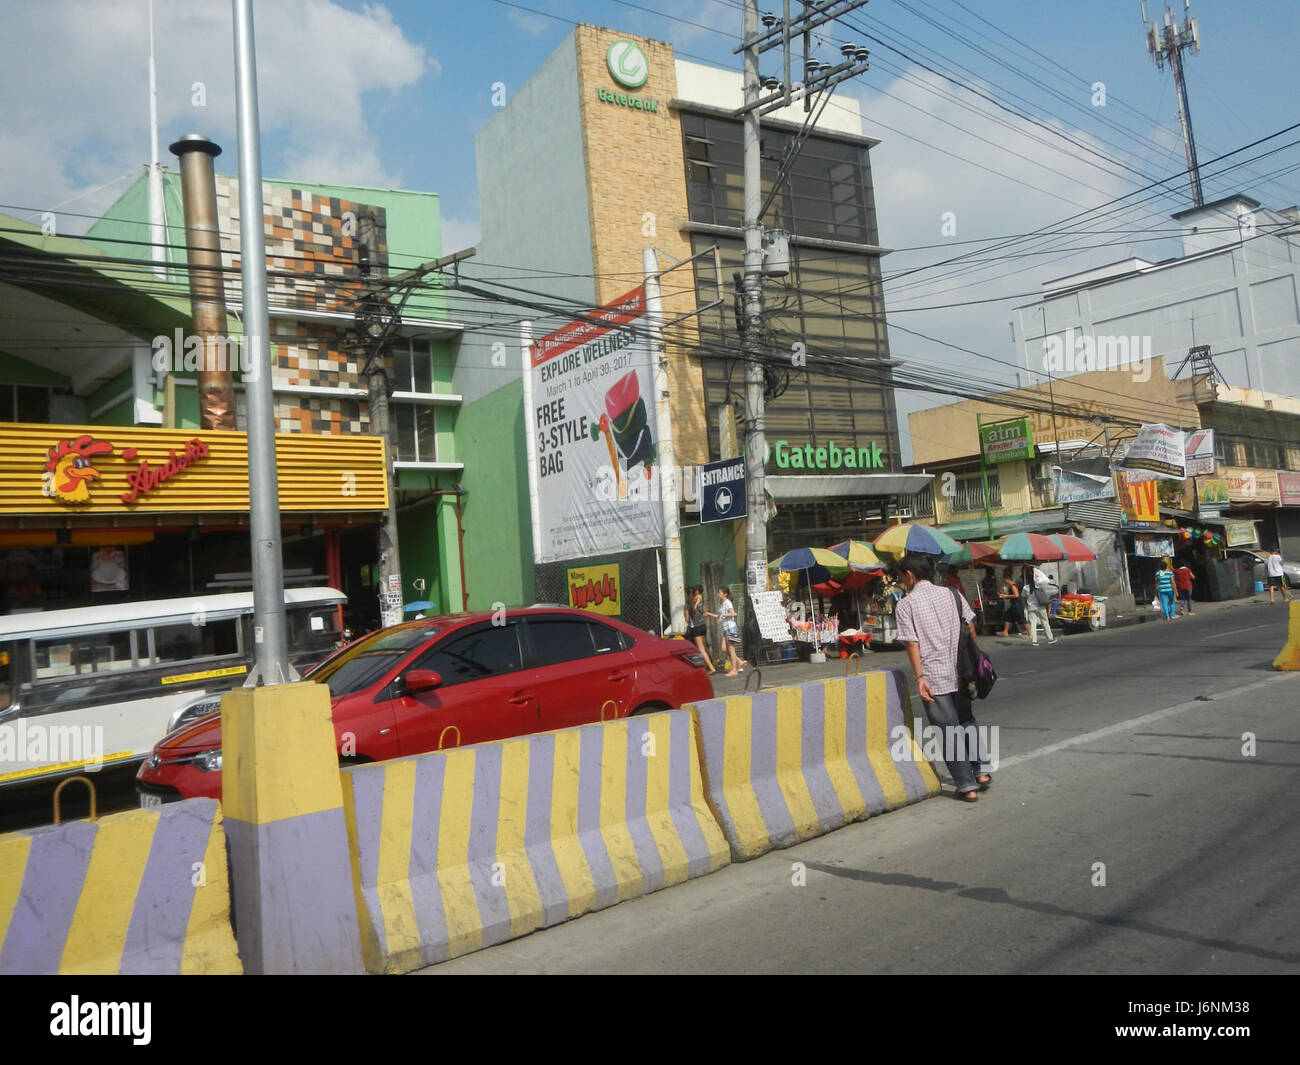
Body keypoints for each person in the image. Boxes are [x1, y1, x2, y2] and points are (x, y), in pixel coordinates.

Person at [894, 552, 992, 803]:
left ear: (910, 575)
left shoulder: (906, 604)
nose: (903, 581)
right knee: (966, 718)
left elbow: (912, 644)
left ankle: (966, 785)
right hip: (961, 670)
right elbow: (969, 626)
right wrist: (972, 660)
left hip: (933, 676)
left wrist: (919, 677)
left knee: (948, 730)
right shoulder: (952, 594)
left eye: (902, 577)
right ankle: (981, 771)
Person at [706, 586, 747, 676]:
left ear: (725, 594)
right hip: (726, 629)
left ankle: (734, 670)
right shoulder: (723, 604)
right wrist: (709, 614)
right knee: (724, 648)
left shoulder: (728, 603)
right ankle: (740, 662)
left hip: (731, 628)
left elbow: (733, 613)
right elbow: (719, 616)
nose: (718, 594)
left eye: (720, 593)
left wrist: (723, 615)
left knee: (731, 649)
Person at [684, 586, 717, 674]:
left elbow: (687, 619)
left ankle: (711, 668)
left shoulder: (687, 605)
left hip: (696, 628)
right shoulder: (700, 602)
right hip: (702, 626)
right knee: (703, 647)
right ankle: (706, 666)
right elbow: (705, 613)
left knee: (701, 648)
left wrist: (689, 617)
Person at [1022, 566, 1058, 645]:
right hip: (1040, 607)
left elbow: (1024, 598)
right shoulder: (1039, 586)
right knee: (1045, 622)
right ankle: (1050, 638)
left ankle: (1034, 641)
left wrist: (1026, 606)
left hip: (1031, 607)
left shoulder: (1025, 588)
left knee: (1033, 624)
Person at [998, 573, 1025, 637]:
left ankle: (1029, 633)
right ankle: (1005, 632)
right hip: (1014, 605)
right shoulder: (1012, 586)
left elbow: (1016, 595)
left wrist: (1006, 596)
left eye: (1004, 580)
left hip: (1017, 605)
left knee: (1022, 619)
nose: (1004, 582)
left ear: (1007, 579)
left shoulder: (1013, 586)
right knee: (1007, 616)